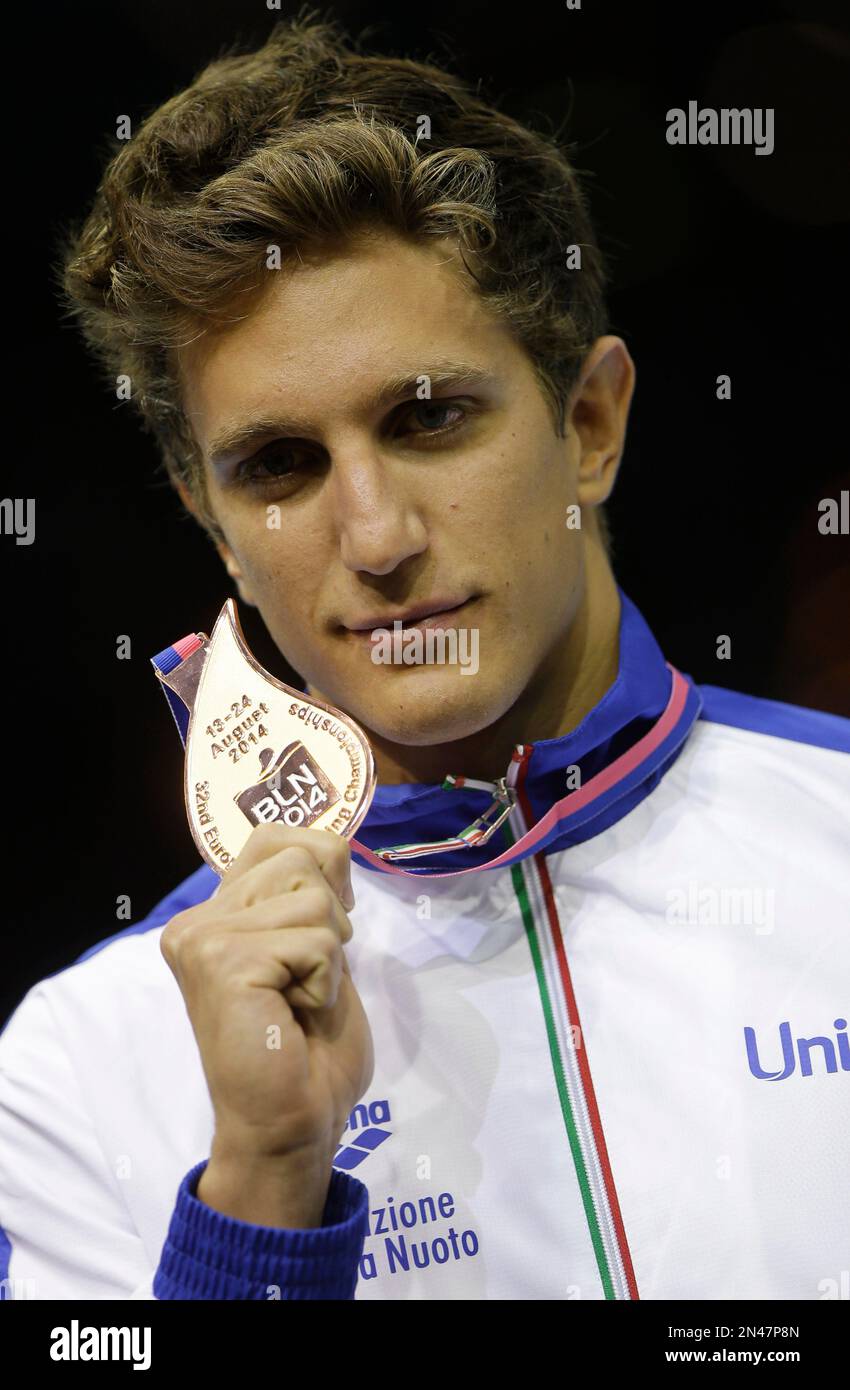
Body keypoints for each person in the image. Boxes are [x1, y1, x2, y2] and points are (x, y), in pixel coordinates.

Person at [2, 14, 847, 1302]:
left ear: (590, 426)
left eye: (430, 417)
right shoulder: (75, 1068)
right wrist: (263, 1191)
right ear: (211, 521)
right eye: (279, 465)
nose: (380, 538)